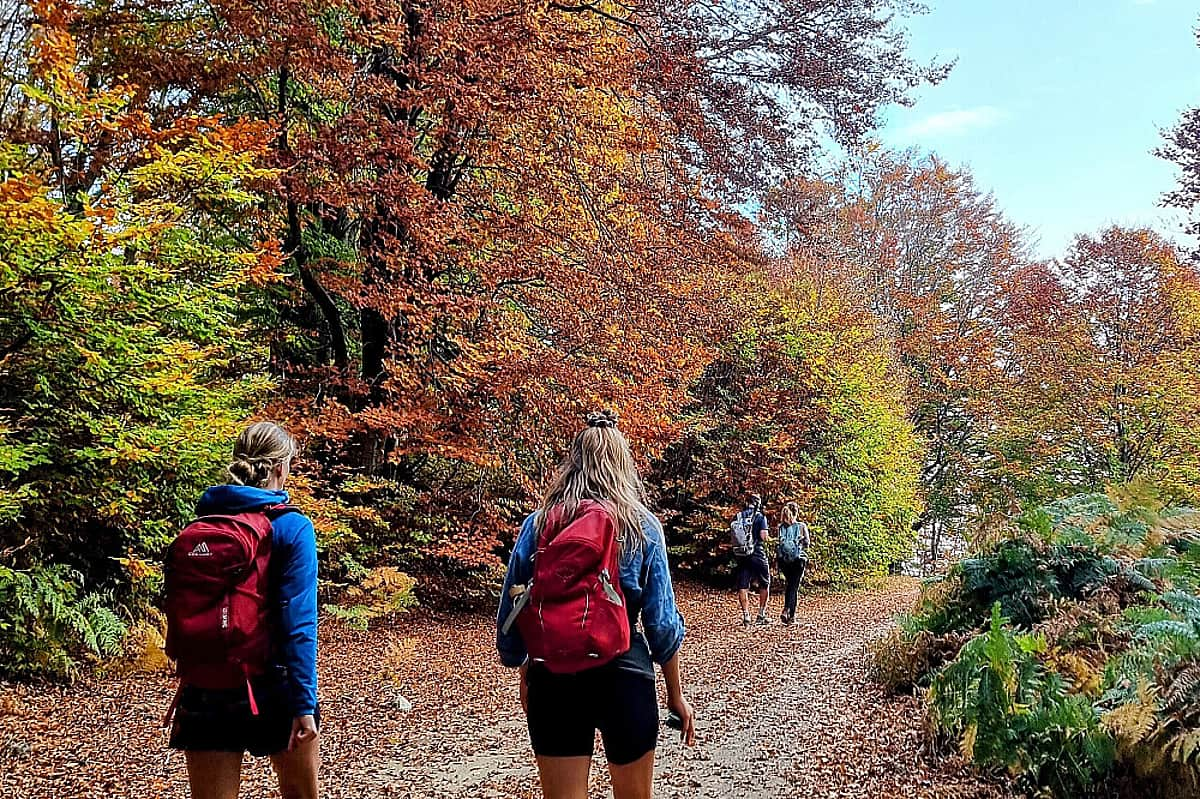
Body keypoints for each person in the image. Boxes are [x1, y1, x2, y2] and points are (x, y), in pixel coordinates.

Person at [497, 411, 697, 799]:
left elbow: (512, 612)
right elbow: (662, 626)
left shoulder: (538, 525)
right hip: (625, 674)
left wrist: (525, 665)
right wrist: (675, 692)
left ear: (572, 464)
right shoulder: (642, 527)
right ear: (624, 467)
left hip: (552, 676)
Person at [168, 422, 320, 799]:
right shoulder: (292, 526)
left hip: (207, 683)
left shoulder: (203, 524)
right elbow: (298, 622)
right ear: (282, 468)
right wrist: (305, 703)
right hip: (275, 684)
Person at [732, 494, 770, 626]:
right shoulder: (760, 517)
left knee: (743, 584)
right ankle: (761, 614)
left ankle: (746, 615)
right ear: (758, 503)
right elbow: (763, 536)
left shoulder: (738, 516)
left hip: (742, 553)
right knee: (764, 582)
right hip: (757, 552)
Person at [776, 502, 811, 626]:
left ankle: (789, 613)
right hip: (798, 560)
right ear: (797, 512)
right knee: (794, 586)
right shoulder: (801, 526)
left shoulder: (781, 527)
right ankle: (789, 612)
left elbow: (779, 543)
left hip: (784, 561)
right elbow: (807, 543)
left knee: (790, 584)